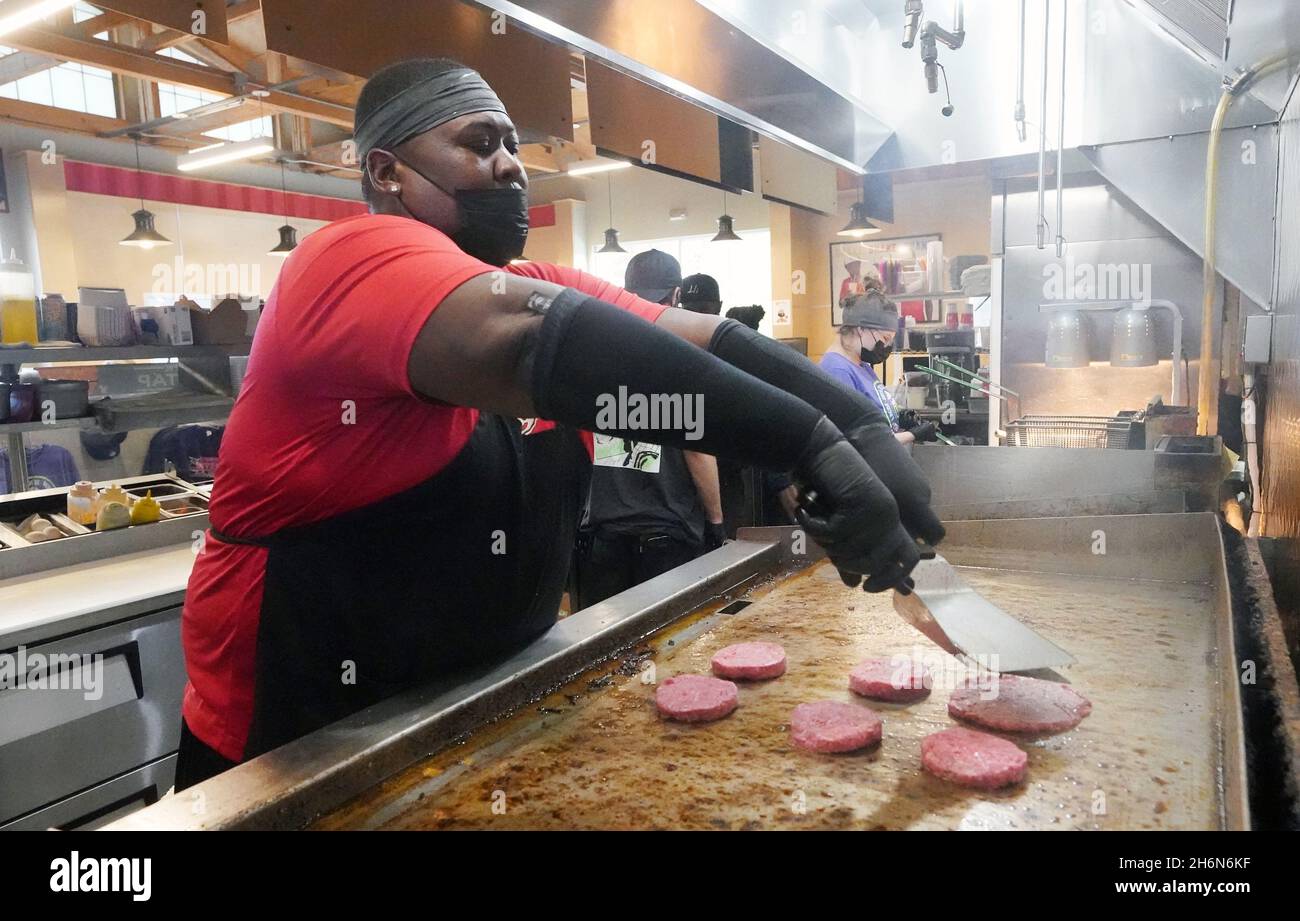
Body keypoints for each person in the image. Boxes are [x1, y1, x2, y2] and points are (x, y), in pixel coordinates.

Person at [174, 57, 942, 789]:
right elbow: (545, 344)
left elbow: (711, 346)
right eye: (479, 144)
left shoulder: (527, 281)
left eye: (514, 145)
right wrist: (809, 444)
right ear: (385, 171)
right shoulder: (344, 261)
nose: (512, 165)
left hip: (477, 721)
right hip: (298, 747)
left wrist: (856, 427)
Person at [574, 251, 726, 609]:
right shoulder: (679, 356)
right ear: (675, 296)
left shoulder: (595, 355)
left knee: (606, 658)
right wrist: (717, 521)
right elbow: (697, 450)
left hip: (605, 539)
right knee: (672, 654)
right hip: (667, 540)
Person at [821, 286, 939, 446]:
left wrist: (900, 415)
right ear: (861, 329)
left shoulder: (861, 364)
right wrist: (912, 435)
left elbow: (875, 411)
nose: (887, 346)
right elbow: (855, 442)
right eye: (885, 338)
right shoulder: (837, 371)